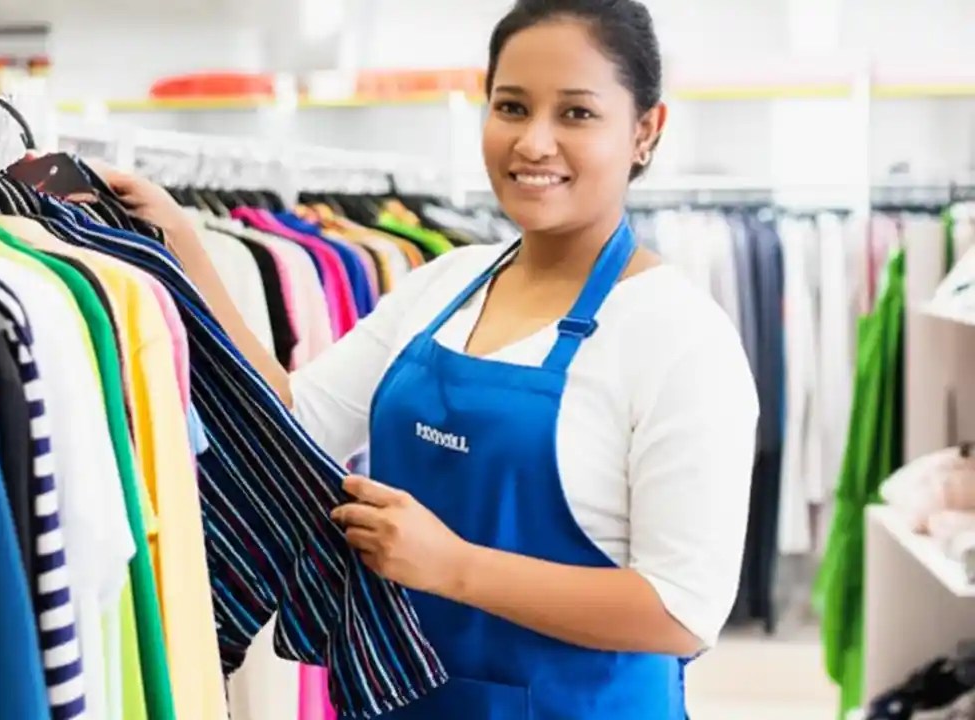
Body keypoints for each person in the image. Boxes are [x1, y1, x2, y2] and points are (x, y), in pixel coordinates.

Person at [95, 0, 759, 716]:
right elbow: (296, 417)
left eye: (576, 114)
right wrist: (183, 249)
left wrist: (455, 568)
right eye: (511, 106)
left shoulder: (681, 336)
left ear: (645, 131)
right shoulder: (444, 285)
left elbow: (680, 610)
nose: (533, 142)